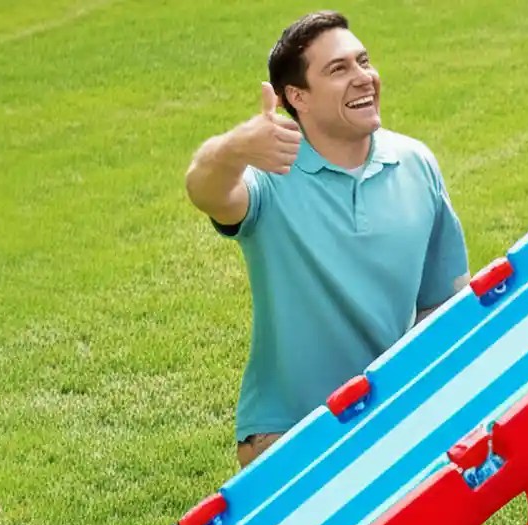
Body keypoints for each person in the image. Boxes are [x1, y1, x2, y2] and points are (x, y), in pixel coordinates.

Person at [184, 11, 470, 468]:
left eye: (363, 61)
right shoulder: (268, 176)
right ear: (297, 97)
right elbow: (206, 190)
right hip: (292, 429)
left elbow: (442, 303)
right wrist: (232, 148)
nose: (364, 78)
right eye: (339, 70)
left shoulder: (415, 161)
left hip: (394, 413)